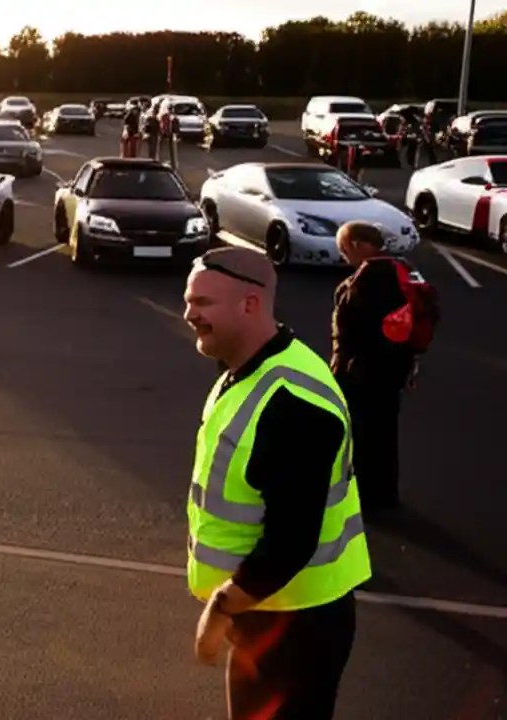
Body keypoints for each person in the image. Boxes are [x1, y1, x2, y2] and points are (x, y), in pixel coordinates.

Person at [182, 247, 372, 720]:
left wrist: (221, 609)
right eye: (188, 302)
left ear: (250, 304)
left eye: (203, 303)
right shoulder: (249, 369)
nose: (188, 315)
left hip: (294, 627)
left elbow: (291, 541)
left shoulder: (293, 402)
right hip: (267, 616)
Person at [332, 222, 424, 516]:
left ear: (358, 245)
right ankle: (386, 493)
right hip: (395, 367)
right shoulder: (403, 269)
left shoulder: (365, 280)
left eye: (344, 249)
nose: (344, 256)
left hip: (362, 371)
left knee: (360, 434)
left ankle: (363, 497)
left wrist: (338, 371)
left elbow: (350, 330)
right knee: (385, 432)